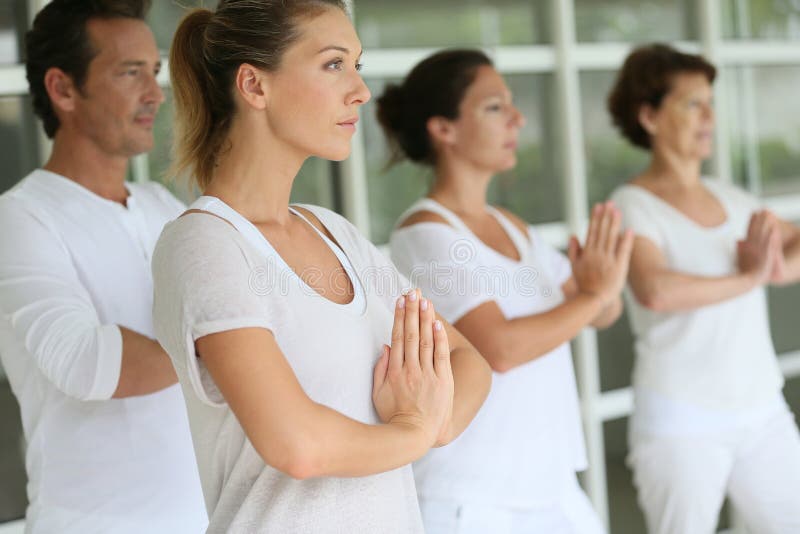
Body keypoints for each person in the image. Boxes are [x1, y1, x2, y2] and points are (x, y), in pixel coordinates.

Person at [151, 2, 492, 532]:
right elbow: (297, 445)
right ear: (254, 85)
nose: (361, 90)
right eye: (334, 64)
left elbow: (468, 360)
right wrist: (415, 428)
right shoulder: (204, 243)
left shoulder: (333, 231)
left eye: (357, 64)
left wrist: (431, 422)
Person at [379, 49, 632, 534]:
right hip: (472, 501)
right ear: (444, 129)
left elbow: (603, 310)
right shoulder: (424, 233)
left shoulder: (512, 226)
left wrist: (601, 288)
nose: (517, 118)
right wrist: (593, 296)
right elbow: (500, 347)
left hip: (553, 488)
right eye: (495, 107)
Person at [0, 1, 208, 532]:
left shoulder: (163, 207)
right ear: (63, 89)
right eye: (130, 72)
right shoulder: (19, 217)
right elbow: (86, 363)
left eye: (154, 71)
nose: (155, 93)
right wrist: (236, 346)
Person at [607, 43, 800, 534]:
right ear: (649, 116)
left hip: (762, 409)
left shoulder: (732, 197)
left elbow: (790, 247)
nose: (710, 117)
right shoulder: (632, 204)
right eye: (693, 104)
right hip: (681, 418)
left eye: (711, 103)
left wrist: (777, 267)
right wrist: (749, 278)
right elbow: (655, 289)